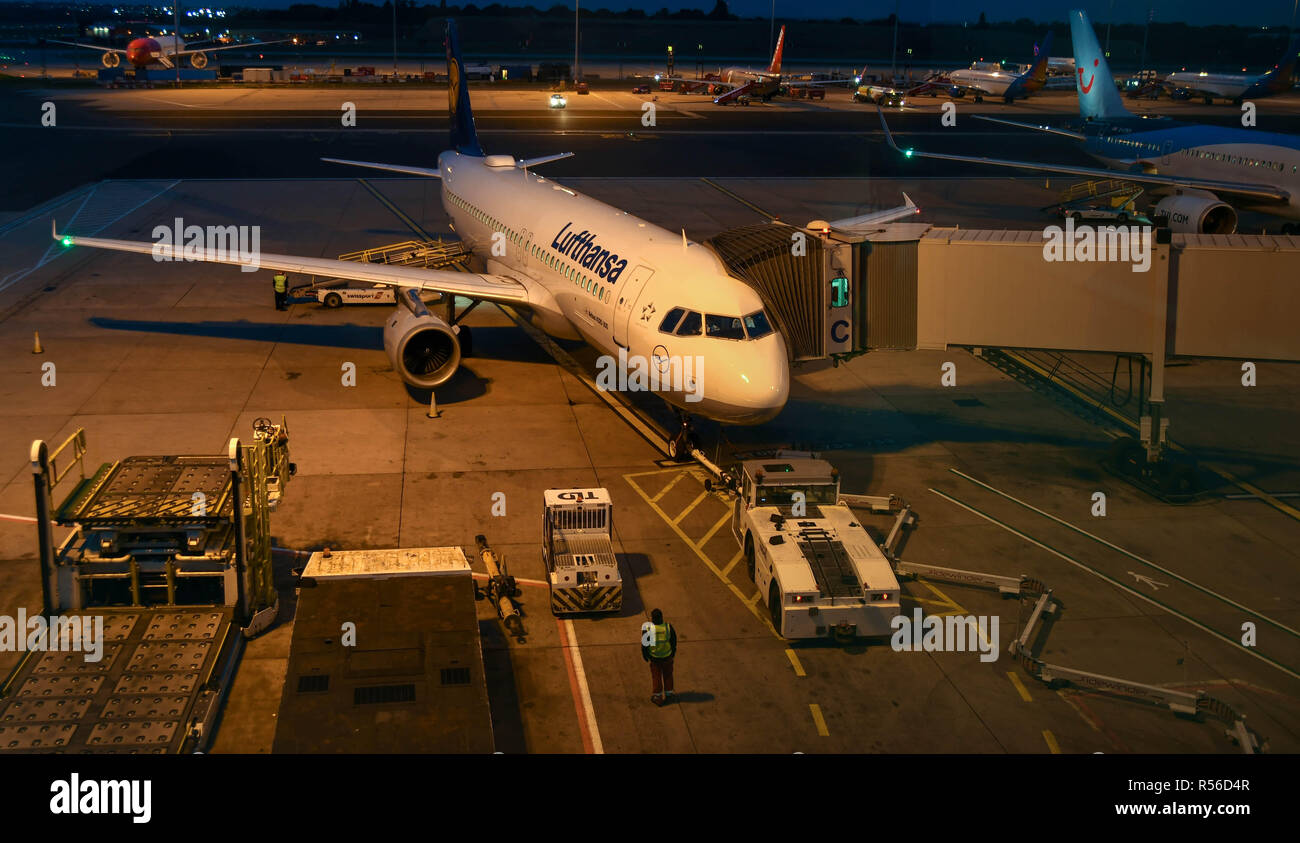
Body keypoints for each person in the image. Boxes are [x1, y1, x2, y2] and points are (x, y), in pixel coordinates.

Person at [641, 608, 677, 706]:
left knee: (656, 677)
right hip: (667, 657)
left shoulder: (648, 629)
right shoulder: (668, 627)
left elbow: (644, 645)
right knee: (668, 675)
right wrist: (672, 653)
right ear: (661, 617)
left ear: (652, 618)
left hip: (655, 658)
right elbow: (673, 641)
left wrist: (645, 656)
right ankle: (669, 694)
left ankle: (658, 697)